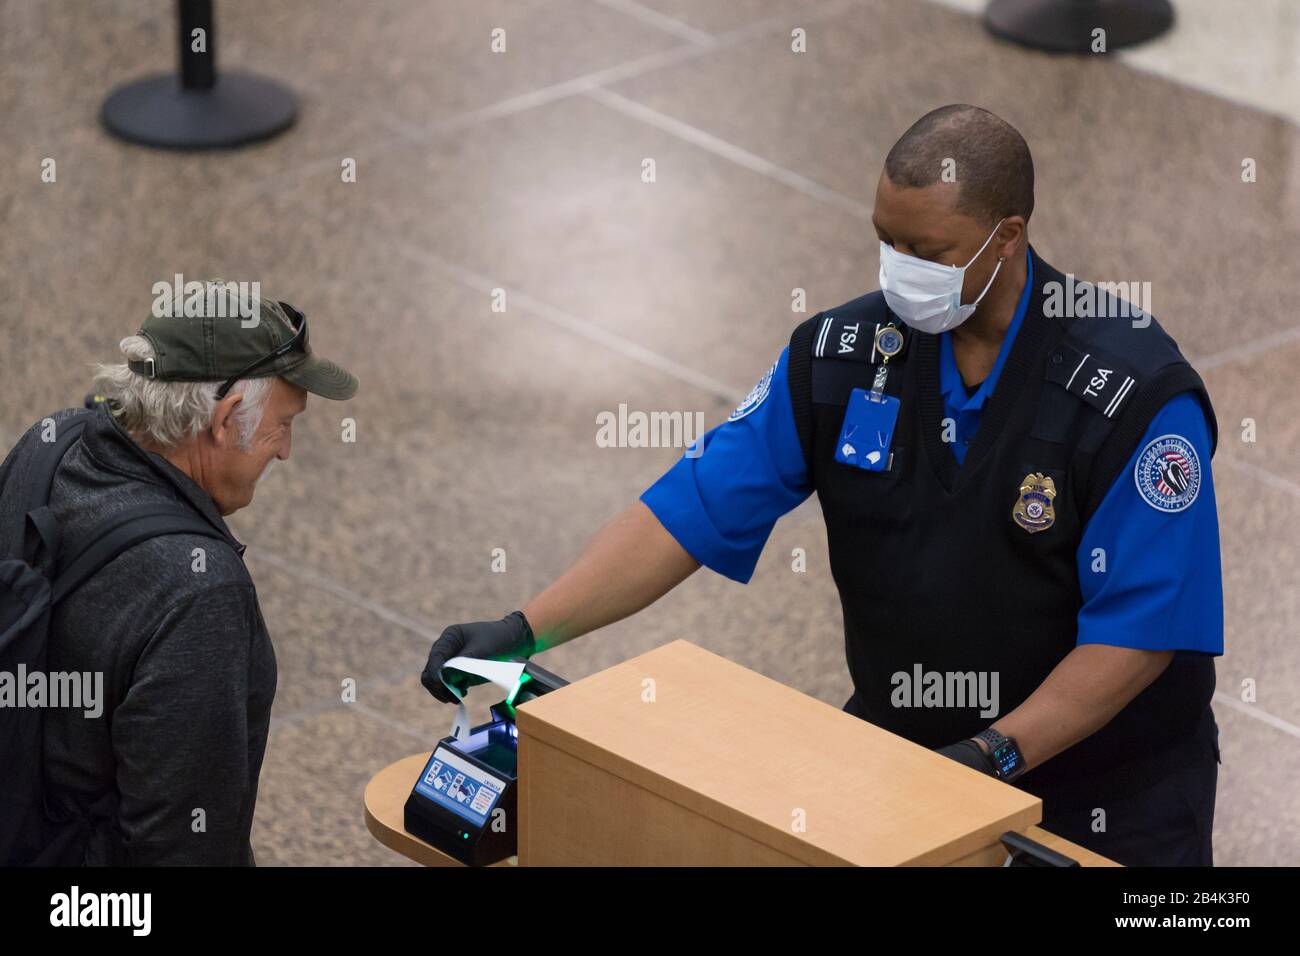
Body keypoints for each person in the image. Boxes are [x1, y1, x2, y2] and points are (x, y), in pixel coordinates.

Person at [421, 105, 1223, 867]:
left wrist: (992, 755)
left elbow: (1140, 636)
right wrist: (526, 629)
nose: (901, 272)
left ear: (1007, 237)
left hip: (1104, 791)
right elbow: (693, 507)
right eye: (886, 243)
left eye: (929, 252)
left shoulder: (1132, 398)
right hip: (900, 759)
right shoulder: (841, 356)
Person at [0, 283, 358, 864]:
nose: (285, 451)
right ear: (225, 419)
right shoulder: (198, 591)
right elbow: (185, 848)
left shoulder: (48, 445)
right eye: (283, 424)